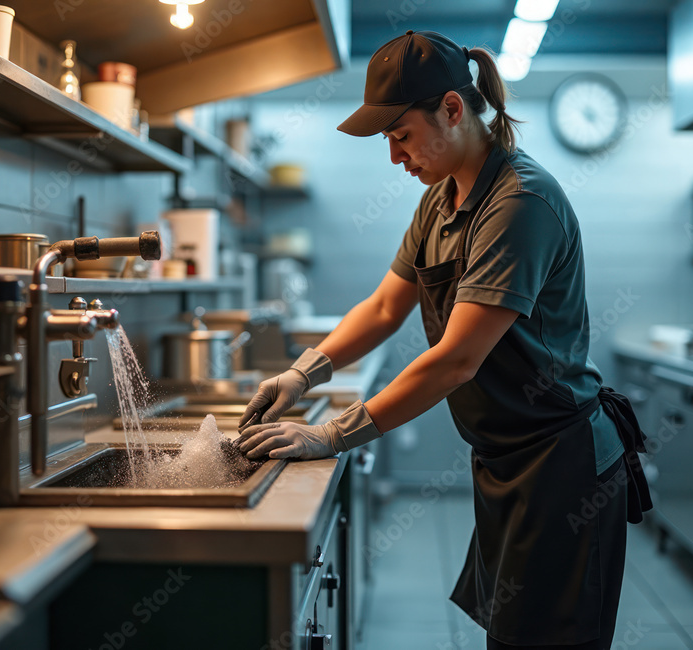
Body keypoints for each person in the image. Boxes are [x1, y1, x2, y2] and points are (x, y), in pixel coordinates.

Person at [236, 30, 652, 650]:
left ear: (453, 109)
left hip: (562, 468)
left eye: (401, 135)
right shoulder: (440, 199)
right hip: (505, 461)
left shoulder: (520, 203)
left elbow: (456, 359)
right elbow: (384, 307)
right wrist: (303, 372)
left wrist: (331, 434)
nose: (395, 157)